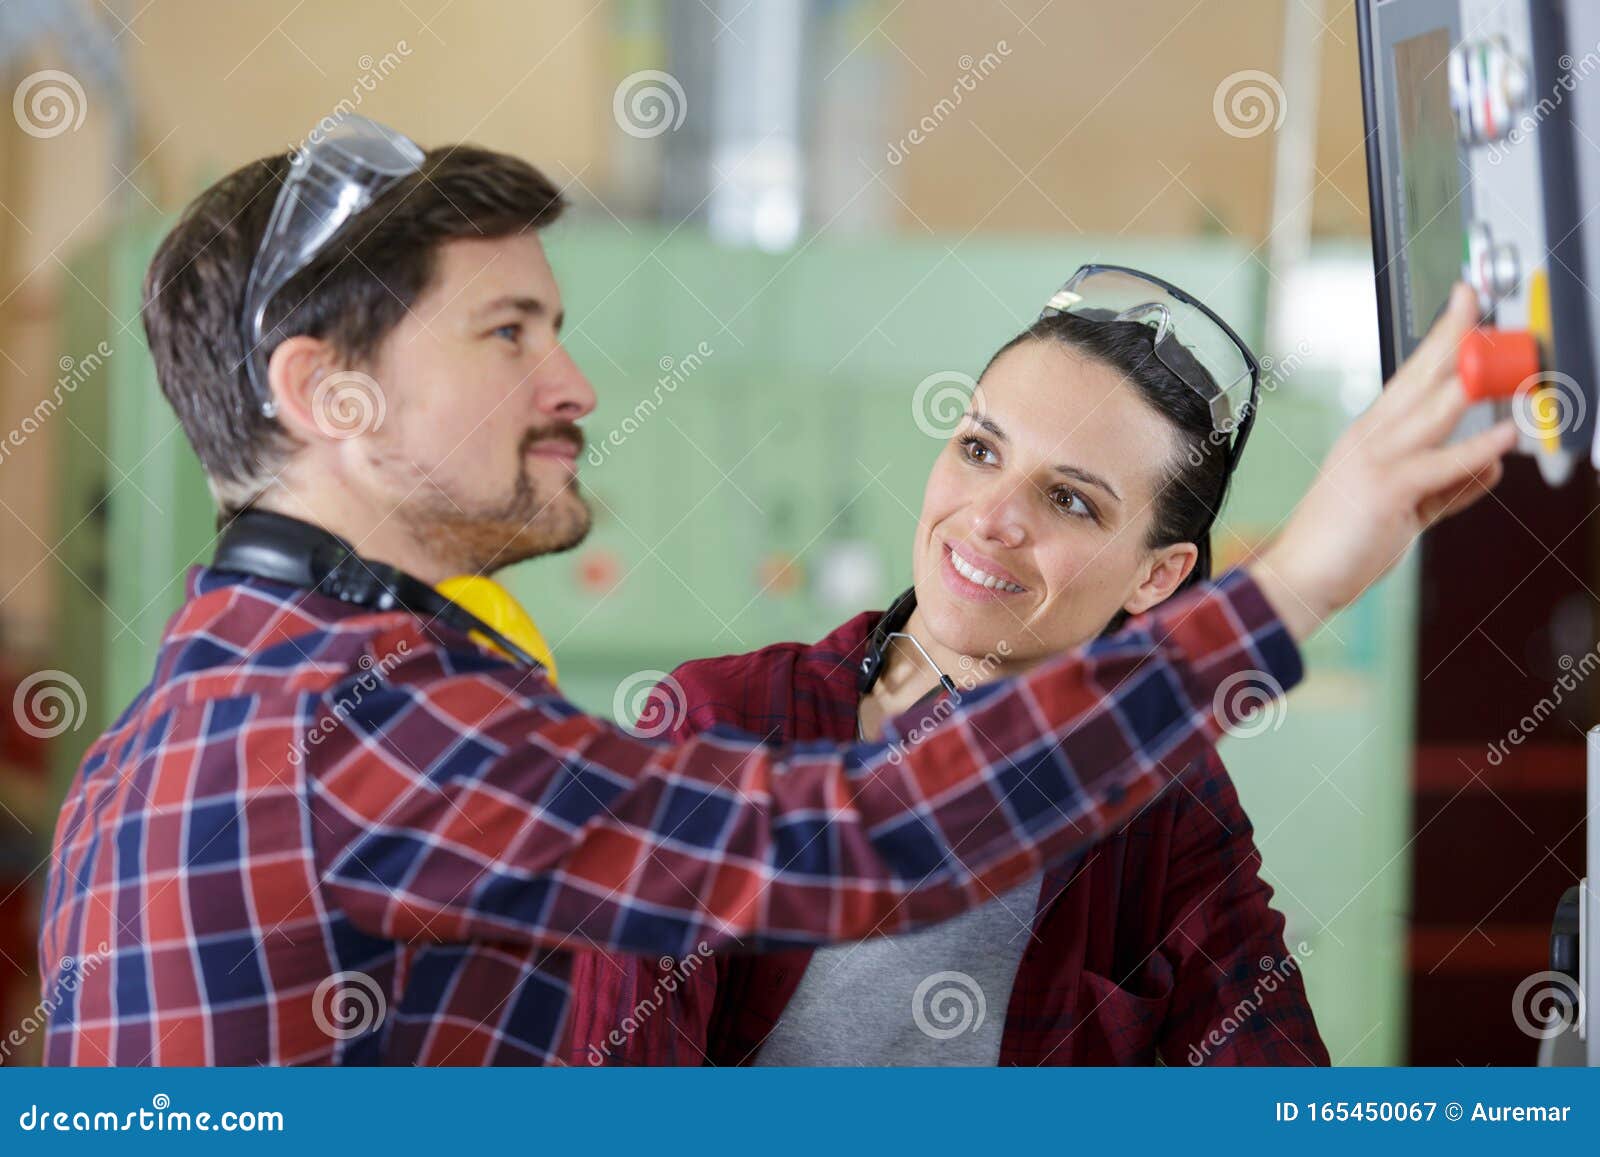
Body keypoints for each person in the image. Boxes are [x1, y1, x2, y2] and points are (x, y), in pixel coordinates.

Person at [38, 117, 1512, 1065]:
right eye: (507, 334)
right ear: (329, 395)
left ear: (1154, 566)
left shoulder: (196, 722)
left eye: (555, 325)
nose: (574, 383)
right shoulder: (365, 723)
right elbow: (861, 837)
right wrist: (1305, 574)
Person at [568, 267, 1329, 1066]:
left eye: (1071, 500)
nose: (992, 518)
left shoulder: (1164, 798)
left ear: (1157, 575)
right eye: (979, 449)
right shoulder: (724, 719)